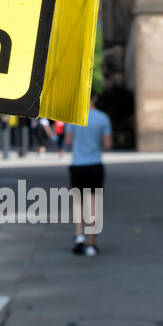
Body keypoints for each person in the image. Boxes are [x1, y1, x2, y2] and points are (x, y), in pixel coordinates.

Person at [64, 94, 112, 256]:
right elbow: (108, 144)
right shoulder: (103, 118)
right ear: (96, 98)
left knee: (78, 202)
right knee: (93, 204)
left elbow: (68, 142)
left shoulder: (73, 117)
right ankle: (91, 244)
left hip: (77, 164)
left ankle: (79, 235)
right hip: (95, 164)